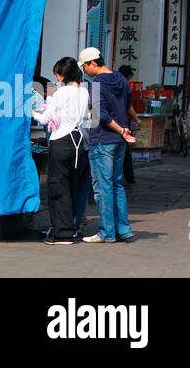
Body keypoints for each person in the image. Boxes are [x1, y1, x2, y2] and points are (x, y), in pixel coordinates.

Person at [79, 48, 137, 243]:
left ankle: (107, 232)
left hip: (104, 139)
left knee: (103, 187)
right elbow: (128, 102)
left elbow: (101, 116)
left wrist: (120, 129)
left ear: (93, 63)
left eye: (85, 66)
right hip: (120, 141)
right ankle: (124, 230)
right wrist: (126, 126)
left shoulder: (97, 84)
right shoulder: (120, 78)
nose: (84, 70)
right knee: (117, 185)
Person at [30, 58, 90, 245]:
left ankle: (62, 233)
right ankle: (70, 229)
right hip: (78, 143)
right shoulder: (84, 92)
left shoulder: (61, 92)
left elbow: (45, 119)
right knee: (72, 187)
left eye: (58, 74)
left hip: (61, 141)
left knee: (57, 188)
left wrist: (31, 112)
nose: (57, 77)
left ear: (63, 74)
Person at [117, 64, 138, 185]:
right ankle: (128, 177)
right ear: (128, 76)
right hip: (124, 122)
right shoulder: (125, 86)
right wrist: (136, 118)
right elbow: (128, 106)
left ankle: (124, 177)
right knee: (125, 151)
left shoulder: (112, 84)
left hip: (114, 124)